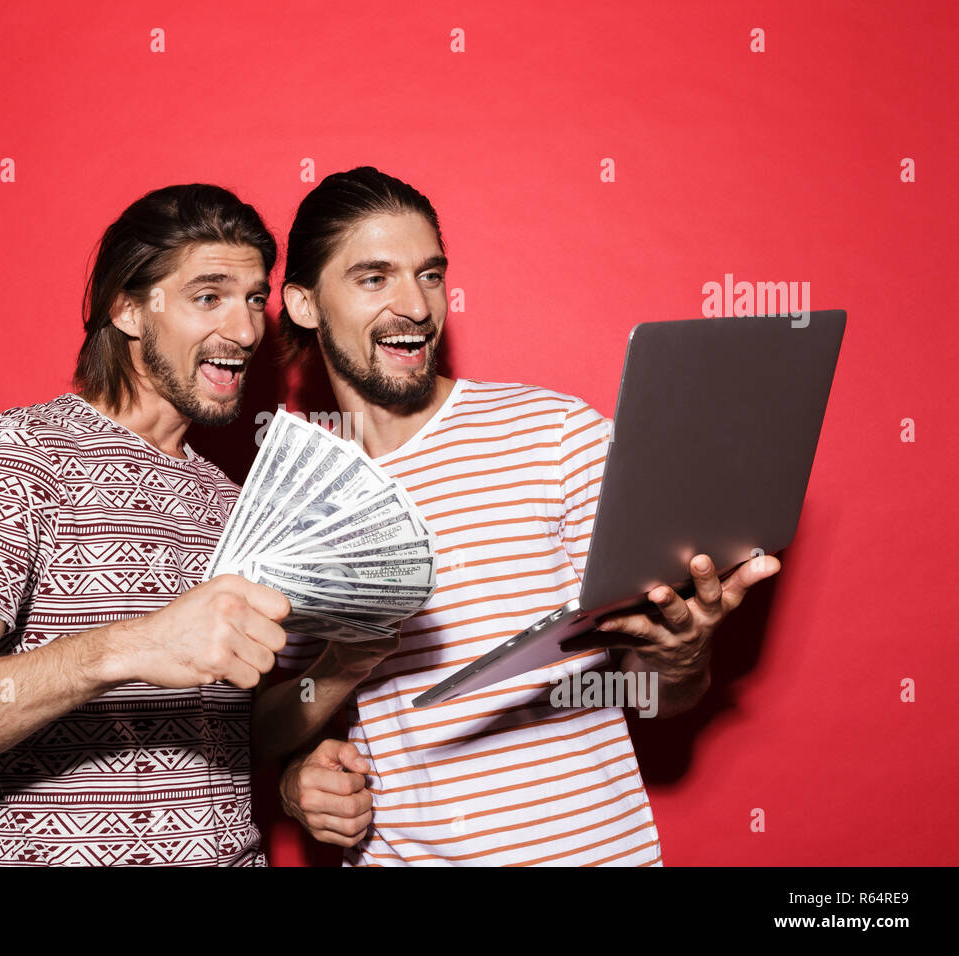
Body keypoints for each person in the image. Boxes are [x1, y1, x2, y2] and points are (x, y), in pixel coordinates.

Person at [255, 166, 781, 866]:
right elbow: (265, 729)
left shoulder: (557, 436)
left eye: (431, 275)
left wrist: (681, 656)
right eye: (374, 278)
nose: (415, 305)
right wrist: (300, 780)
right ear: (304, 304)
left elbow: (656, 691)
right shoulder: (290, 505)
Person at [0, 183, 292, 866]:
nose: (245, 331)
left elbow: (238, 740)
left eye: (252, 299)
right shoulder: (29, 452)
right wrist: (127, 648)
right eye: (208, 296)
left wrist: (343, 670)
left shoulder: (231, 502)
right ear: (128, 308)